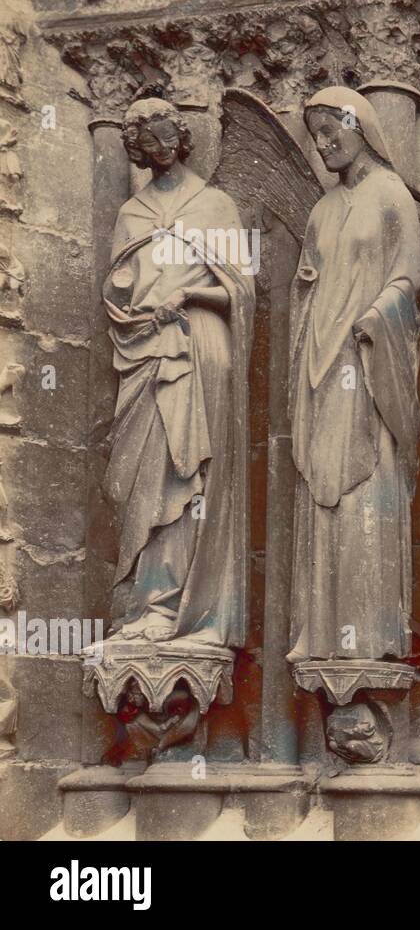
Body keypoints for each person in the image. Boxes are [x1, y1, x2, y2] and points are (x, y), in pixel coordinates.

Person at [102, 92, 253, 649]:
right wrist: (131, 305)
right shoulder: (130, 213)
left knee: (186, 472)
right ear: (136, 150)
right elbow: (117, 285)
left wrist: (188, 292)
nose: (159, 145)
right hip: (143, 352)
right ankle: (144, 601)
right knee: (138, 475)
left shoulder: (214, 205)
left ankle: (178, 607)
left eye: (167, 132)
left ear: (182, 135)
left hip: (196, 349)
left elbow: (241, 286)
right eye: (146, 139)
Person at [287, 87, 420, 665]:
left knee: (369, 488)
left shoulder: (391, 194)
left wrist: (377, 316)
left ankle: (372, 634)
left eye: (331, 129)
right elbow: (306, 286)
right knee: (323, 498)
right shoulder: (321, 209)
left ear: (360, 126)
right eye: (314, 134)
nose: (322, 143)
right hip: (322, 363)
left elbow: (410, 276)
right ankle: (320, 633)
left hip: (368, 361)